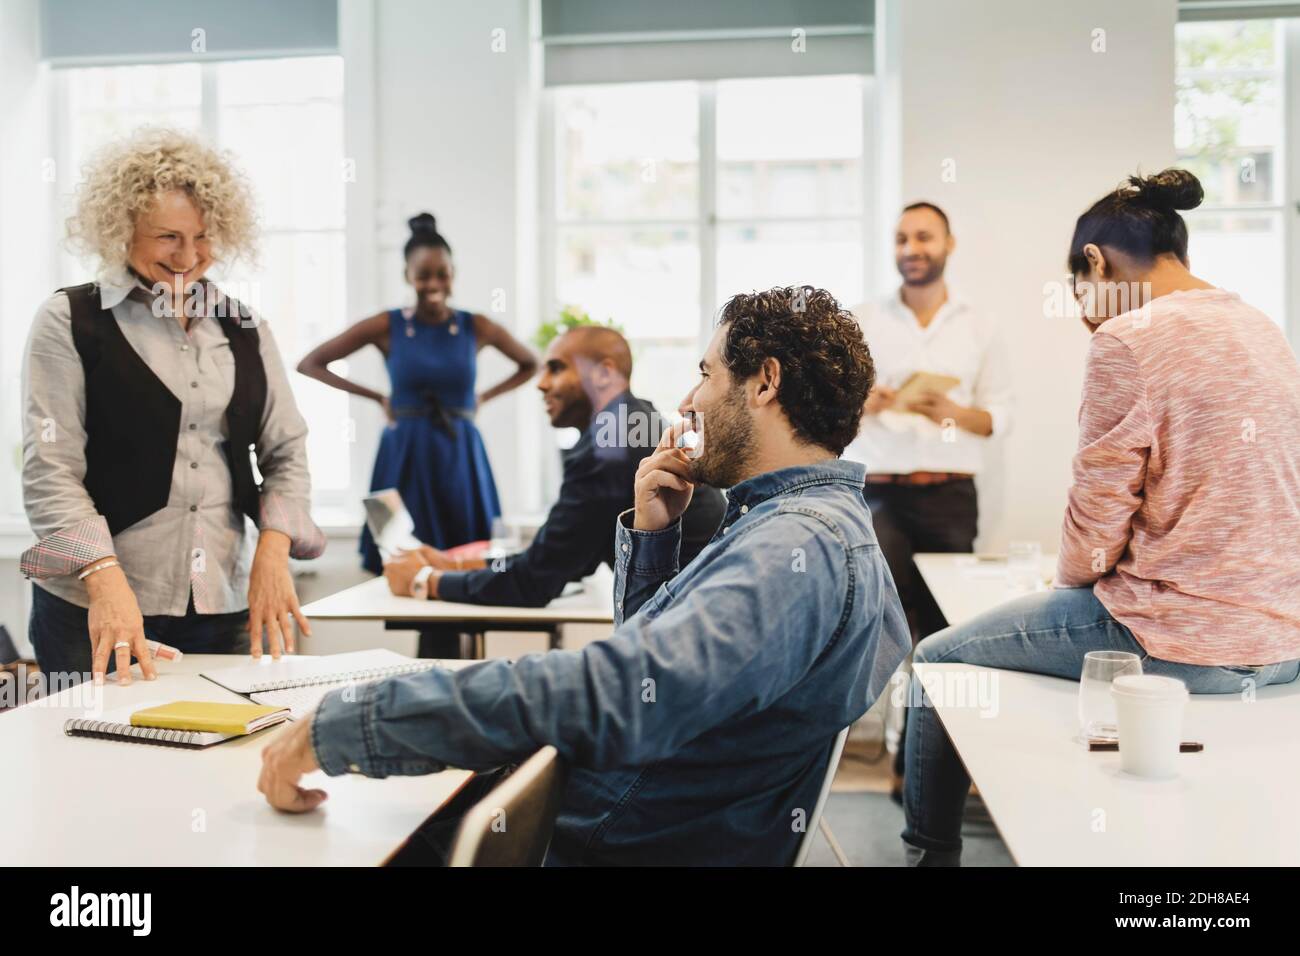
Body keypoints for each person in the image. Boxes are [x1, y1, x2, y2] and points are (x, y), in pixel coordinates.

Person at [257, 286, 911, 866]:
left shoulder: (792, 547)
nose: (688, 400)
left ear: (764, 383)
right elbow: (659, 677)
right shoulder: (827, 527)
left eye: (706, 374)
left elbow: (619, 691)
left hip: (608, 834)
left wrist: (352, 724)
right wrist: (654, 539)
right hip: (648, 814)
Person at [901, 169, 1300, 866]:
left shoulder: (1128, 339)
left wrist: (1075, 579)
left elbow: (1092, 532)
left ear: (1094, 264)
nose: (1085, 310)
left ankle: (927, 858)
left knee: (937, 660)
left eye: (1080, 290)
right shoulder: (1264, 327)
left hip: (1178, 643)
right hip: (1282, 644)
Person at [20, 128, 324, 688]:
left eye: (203, 238)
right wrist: (104, 581)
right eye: (167, 237)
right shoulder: (69, 320)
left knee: (221, 764)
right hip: (96, 604)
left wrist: (273, 554)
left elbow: (287, 450)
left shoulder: (245, 328)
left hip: (222, 604)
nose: (188, 257)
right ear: (121, 228)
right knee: (100, 768)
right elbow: (50, 469)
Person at [380, 325, 725, 608]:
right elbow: (561, 557)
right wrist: (448, 563)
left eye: (557, 368)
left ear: (604, 373)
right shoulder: (633, 422)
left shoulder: (609, 447)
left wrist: (424, 581)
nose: (542, 383)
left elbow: (534, 582)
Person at [297, 213, 537, 575]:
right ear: (408, 276)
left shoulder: (477, 326)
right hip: (405, 454)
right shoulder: (387, 325)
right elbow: (311, 363)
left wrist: (484, 397)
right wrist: (378, 397)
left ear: (454, 273)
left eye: (442, 273)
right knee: (405, 565)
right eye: (423, 274)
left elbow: (531, 363)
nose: (434, 283)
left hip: (461, 456)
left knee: (467, 564)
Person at [845, 202, 1013, 644]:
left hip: (950, 498)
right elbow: (831, 405)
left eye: (923, 237)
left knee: (947, 629)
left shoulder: (980, 324)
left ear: (948, 244)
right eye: (901, 239)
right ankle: (879, 715)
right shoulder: (862, 320)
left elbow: (1001, 414)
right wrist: (866, 402)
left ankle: (935, 715)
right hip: (878, 496)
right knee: (878, 625)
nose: (911, 248)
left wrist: (954, 414)